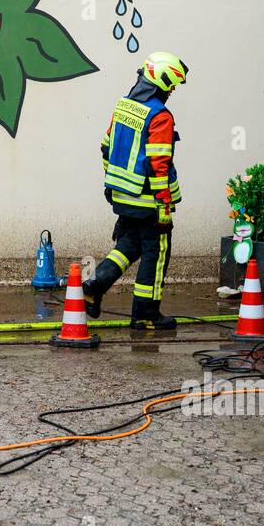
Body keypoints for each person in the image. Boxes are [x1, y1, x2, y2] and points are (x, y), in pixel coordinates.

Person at [82, 51, 188, 329]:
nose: (173, 89)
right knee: (156, 252)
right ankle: (146, 313)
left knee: (128, 246)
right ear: (160, 81)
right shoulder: (160, 116)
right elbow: (158, 165)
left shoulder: (124, 107)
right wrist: (164, 206)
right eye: (172, 84)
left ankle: (95, 284)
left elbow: (106, 147)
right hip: (150, 201)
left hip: (123, 197)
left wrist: (113, 185)